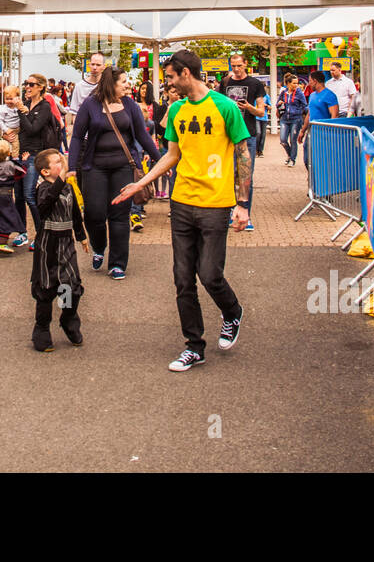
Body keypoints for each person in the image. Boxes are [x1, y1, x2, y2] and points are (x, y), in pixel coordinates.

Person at [115, 49, 248, 372]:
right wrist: (141, 183)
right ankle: (194, 345)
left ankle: (232, 312)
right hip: (182, 201)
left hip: (216, 203)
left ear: (186, 73)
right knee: (182, 278)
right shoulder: (175, 110)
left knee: (210, 274)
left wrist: (243, 204)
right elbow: (172, 154)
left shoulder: (226, 108)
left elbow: (242, 154)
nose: (169, 83)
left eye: (172, 76)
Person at [69, 66, 160, 280]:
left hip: (123, 167)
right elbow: (76, 136)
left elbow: (142, 135)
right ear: (112, 83)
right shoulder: (90, 104)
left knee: (120, 215)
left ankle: (118, 263)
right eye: (124, 81)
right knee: (94, 213)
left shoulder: (130, 105)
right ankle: (99, 247)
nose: (128, 85)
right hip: (94, 167)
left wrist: (160, 159)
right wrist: (72, 166)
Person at [30, 148, 85, 352]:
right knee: (46, 288)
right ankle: (42, 328)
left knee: (70, 286)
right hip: (47, 245)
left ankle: (69, 319)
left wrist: (81, 236)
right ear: (45, 171)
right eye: (57, 162)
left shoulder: (68, 189)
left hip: (66, 243)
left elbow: (75, 213)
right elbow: (45, 206)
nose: (62, 164)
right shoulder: (43, 189)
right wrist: (61, 180)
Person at [218, 53, 267, 231]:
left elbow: (261, 112)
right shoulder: (225, 83)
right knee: (229, 175)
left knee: (246, 177)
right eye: (233, 66)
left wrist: (249, 107)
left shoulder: (255, 84)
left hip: (248, 134)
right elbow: (217, 106)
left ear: (246, 64)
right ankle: (231, 212)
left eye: (239, 65)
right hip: (228, 136)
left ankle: (246, 213)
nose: (236, 69)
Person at [13, 73, 59, 244]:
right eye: (26, 84)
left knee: (29, 195)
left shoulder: (45, 107)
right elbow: (23, 128)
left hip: (34, 154)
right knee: (18, 195)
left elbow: (33, 129)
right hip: (20, 154)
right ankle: (22, 232)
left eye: (31, 84)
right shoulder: (25, 104)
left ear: (41, 87)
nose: (27, 87)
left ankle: (41, 233)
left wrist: (21, 112)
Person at [0, 140, 25, 255]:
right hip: (6, 195)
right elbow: (21, 173)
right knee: (8, 217)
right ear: (8, 153)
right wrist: (23, 161)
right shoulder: (10, 165)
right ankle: (1, 242)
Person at [300, 70, 339, 169]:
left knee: (320, 159)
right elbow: (309, 114)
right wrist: (302, 131)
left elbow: (334, 115)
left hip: (323, 132)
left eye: (310, 81)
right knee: (307, 158)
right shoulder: (312, 95)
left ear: (315, 81)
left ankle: (317, 179)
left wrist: (330, 133)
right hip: (311, 131)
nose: (309, 83)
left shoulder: (329, 95)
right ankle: (312, 178)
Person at [66, 52, 106, 147]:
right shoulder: (79, 86)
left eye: (98, 65)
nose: (95, 67)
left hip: (104, 136)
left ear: (103, 66)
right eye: (93, 64)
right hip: (85, 138)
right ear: (89, 65)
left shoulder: (108, 86)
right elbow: (75, 113)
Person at [278, 73, 308, 167]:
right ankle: (290, 155)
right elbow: (277, 104)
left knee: (293, 140)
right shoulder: (283, 93)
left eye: (297, 83)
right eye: (294, 83)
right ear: (288, 84)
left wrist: (299, 112)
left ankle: (292, 159)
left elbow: (305, 105)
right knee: (283, 140)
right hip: (284, 119)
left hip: (296, 119)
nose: (296, 85)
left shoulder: (299, 93)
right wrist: (279, 103)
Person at [0, 84, 21, 157]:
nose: (9, 101)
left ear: (17, 98)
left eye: (11, 99)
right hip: (10, 129)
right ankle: (14, 158)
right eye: (7, 99)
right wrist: (6, 129)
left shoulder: (18, 107)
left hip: (19, 129)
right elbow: (0, 120)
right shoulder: (4, 109)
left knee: (15, 144)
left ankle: (14, 156)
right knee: (14, 144)